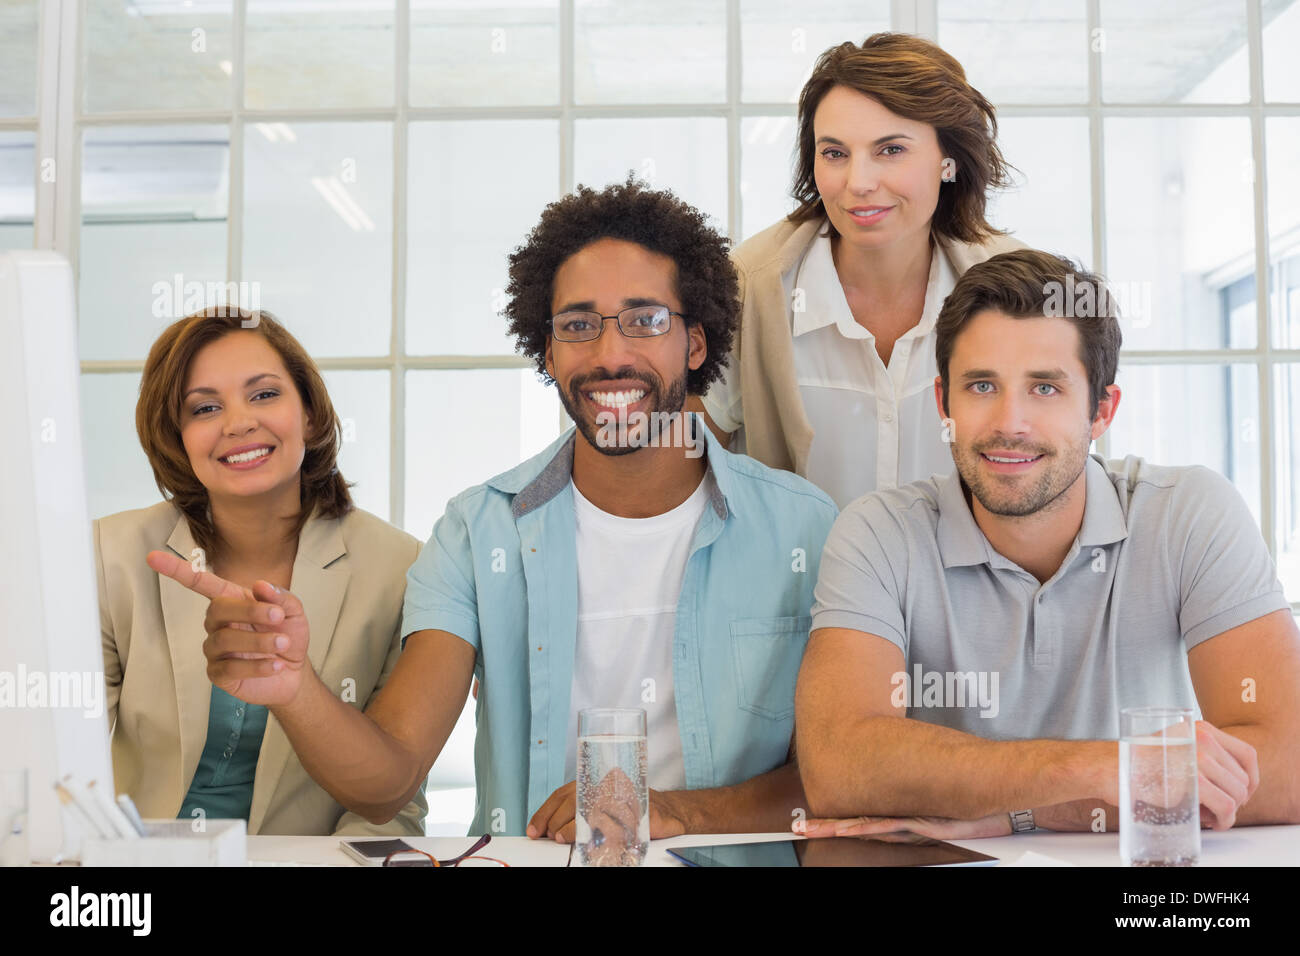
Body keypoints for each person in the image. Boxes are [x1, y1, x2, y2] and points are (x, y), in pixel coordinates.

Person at [148, 180, 839, 848]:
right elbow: (389, 779)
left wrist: (681, 813)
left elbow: (838, 779)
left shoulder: (802, 528)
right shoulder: (480, 533)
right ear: (546, 350)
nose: (609, 355)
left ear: (694, 343)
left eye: (645, 320)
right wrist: (294, 688)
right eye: (577, 326)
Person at [794, 249, 1300, 840]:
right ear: (943, 405)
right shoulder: (878, 534)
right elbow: (839, 766)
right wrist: (1105, 769)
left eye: (1045, 388)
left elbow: (1289, 764)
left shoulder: (1190, 514)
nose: (1011, 422)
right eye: (982, 385)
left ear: (1101, 411)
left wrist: (1017, 813)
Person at [98, 307, 426, 835]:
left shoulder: (400, 567)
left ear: (311, 414)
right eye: (204, 408)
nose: (238, 422)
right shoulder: (112, 553)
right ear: (176, 437)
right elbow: (57, 759)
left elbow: (391, 807)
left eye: (265, 394)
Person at [692, 33, 1025, 509]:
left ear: (948, 161)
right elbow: (691, 481)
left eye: (890, 150)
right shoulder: (746, 287)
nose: (859, 183)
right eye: (835, 153)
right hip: (798, 583)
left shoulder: (1021, 291)